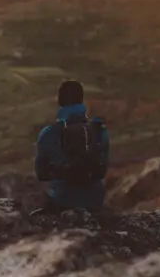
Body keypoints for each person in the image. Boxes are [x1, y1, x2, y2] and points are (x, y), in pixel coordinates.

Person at [32, 80, 110, 214]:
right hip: (95, 202)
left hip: (62, 201)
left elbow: (41, 174)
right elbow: (102, 169)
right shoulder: (99, 130)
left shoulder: (49, 133)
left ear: (59, 101)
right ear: (82, 100)